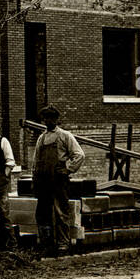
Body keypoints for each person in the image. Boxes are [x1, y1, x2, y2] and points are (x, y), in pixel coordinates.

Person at [30, 105, 84, 255]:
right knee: (43, 213)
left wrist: (68, 169)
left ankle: (63, 244)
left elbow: (79, 155)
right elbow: (35, 162)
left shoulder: (65, 136)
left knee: (61, 212)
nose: (49, 120)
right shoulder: (41, 138)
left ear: (57, 119)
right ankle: (46, 244)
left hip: (58, 180)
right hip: (43, 181)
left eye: (52, 117)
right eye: (46, 118)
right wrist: (34, 179)